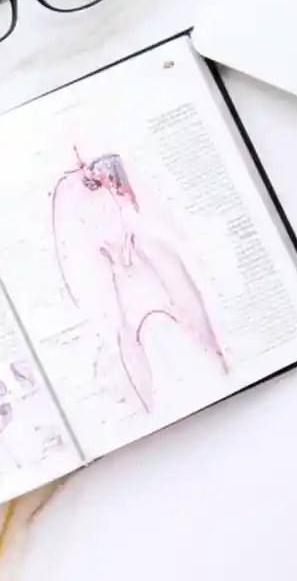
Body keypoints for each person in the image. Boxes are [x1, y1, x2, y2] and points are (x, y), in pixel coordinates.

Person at [51, 149, 228, 413]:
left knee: (160, 317)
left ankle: (201, 374)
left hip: (137, 266)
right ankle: (157, 402)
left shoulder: (143, 245)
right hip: (128, 275)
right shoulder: (82, 207)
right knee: (132, 330)